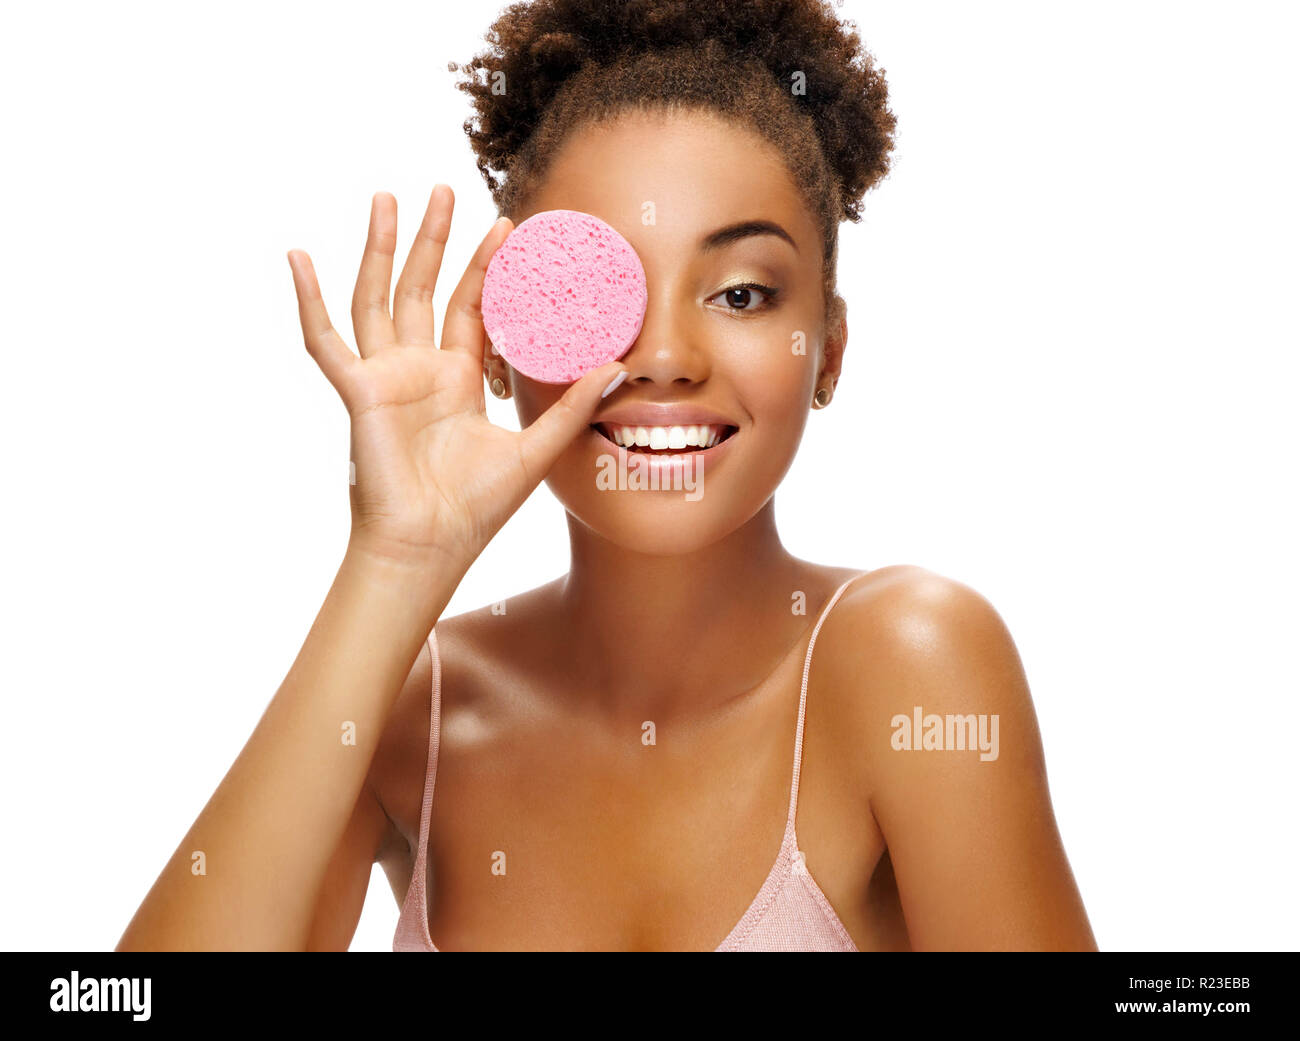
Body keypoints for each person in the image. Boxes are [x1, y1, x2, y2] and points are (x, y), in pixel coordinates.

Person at [117, 0, 1096, 952]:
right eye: (592, 288)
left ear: (827, 350)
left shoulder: (908, 659)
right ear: (499, 344)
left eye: (743, 293)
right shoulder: (410, 708)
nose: (663, 354)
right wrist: (394, 560)